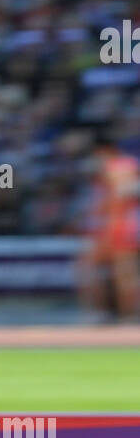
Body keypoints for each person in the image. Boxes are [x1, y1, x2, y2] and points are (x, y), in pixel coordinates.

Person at [79, 133, 139, 320]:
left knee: (120, 272)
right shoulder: (127, 165)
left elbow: (121, 196)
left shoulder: (116, 167)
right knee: (121, 272)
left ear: (102, 151)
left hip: (116, 225)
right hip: (121, 224)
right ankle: (125, 314)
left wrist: (106, 219)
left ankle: (108, 312)